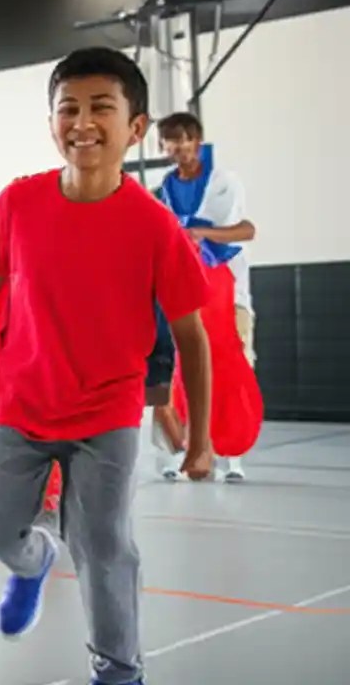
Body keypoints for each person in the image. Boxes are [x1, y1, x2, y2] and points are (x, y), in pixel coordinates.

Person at [0, 46, 213, 685]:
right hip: (21, 401)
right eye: (67, 108)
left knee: (103, 546)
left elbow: (193, 338)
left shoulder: (156, 227)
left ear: (134, 127)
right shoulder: (18, 202)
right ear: (51, 123)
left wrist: (200, 436)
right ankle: (30, 560)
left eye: (102, 107)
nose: (82, 121)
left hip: (107, 410)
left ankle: (118, 669)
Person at [153, 112, 261, 482]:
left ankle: (234, 456)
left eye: (185, 139)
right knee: (183, 368)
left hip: (228, 291)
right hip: (187, 289)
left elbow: (246, 230)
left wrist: (201, 233)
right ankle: (187, 450)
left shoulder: (223, 182)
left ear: (197, 141)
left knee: (232, 363)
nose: (178, 147)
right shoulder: (165, 188)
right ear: (163, 146)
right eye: (171, 141)